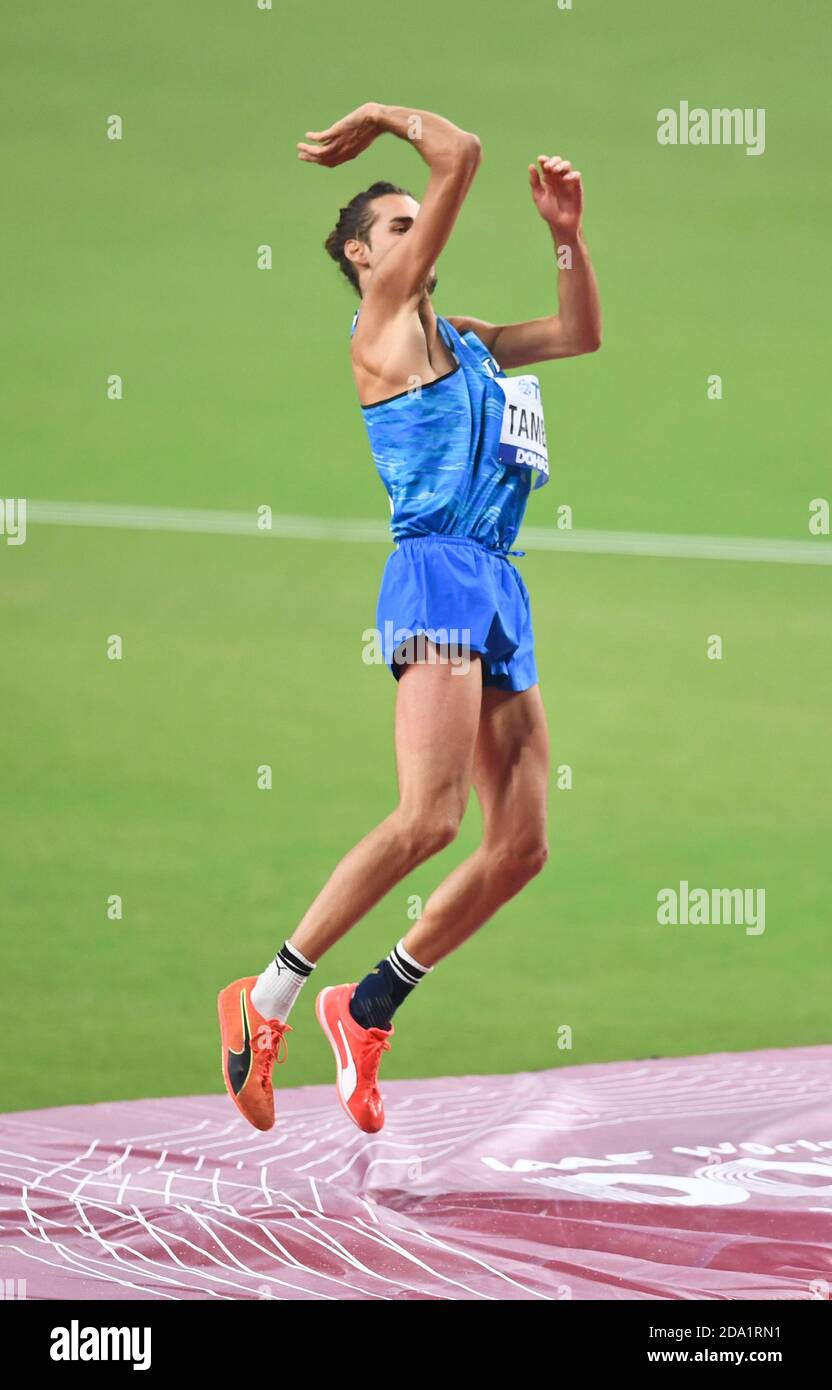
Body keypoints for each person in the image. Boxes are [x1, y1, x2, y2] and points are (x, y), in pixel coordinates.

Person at [218, 103, 601, 1134]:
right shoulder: (384, 323)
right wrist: (385, 119)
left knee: (519, 846)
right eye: (394, 226)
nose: (412, 233)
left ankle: (370, 1002)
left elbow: (577, 334)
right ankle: (264, 1002)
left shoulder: (463, 341)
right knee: (429, 819)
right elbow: (463, 155)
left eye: (409, 222)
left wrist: (566, 238)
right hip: (434, 576)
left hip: (494, 582)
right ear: (360, 258)